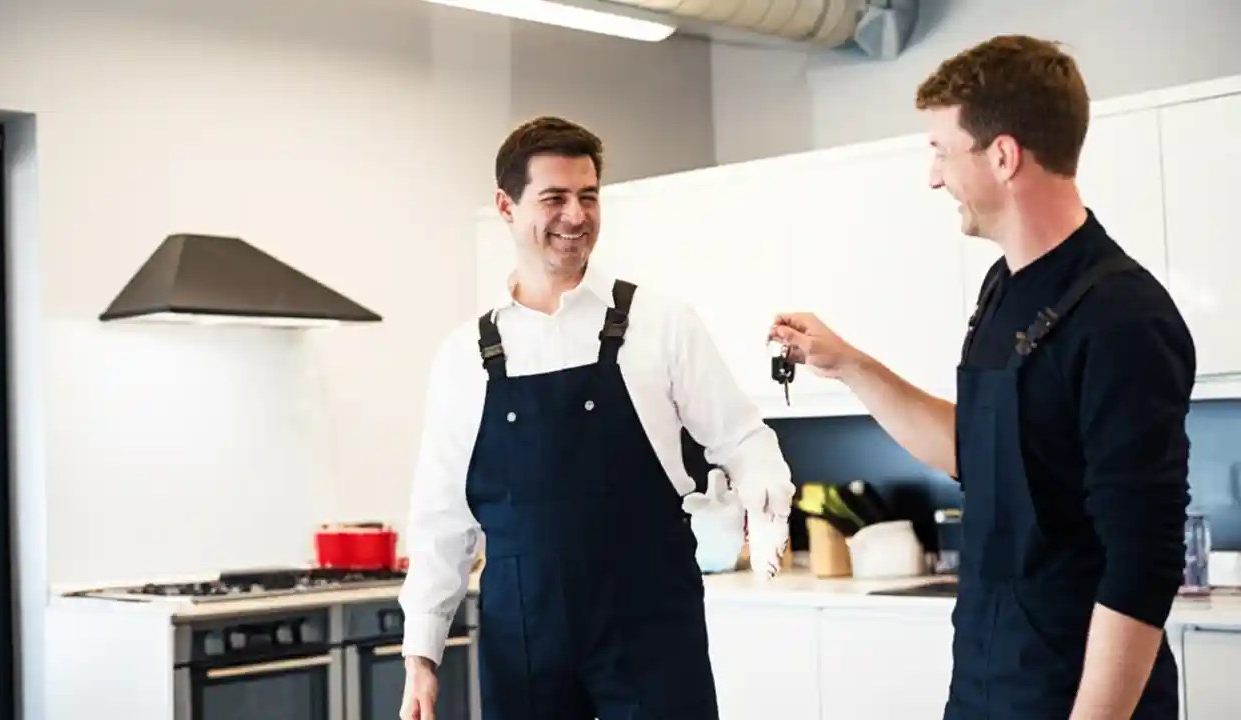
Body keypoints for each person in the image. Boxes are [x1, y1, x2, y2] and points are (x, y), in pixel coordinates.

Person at [770, 35, 1193, 719]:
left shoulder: (1122, 317)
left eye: (942, 151)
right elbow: (976, 451)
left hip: (1077, 696)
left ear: (1002, 156)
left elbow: (1143, 564)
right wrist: (848, 364)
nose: (933, 177)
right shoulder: (1003, 289)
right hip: (987, 684)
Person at [398, 115, 795, 720]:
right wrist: (421, 657)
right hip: (523, 640)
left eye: (588, 196)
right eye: (554, 198)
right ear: (505, 206)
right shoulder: (465, 357)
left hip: (651, 630)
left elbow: (741, 437)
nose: (576, 216)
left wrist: (767, 504)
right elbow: (441, 520)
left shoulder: (660, 323)